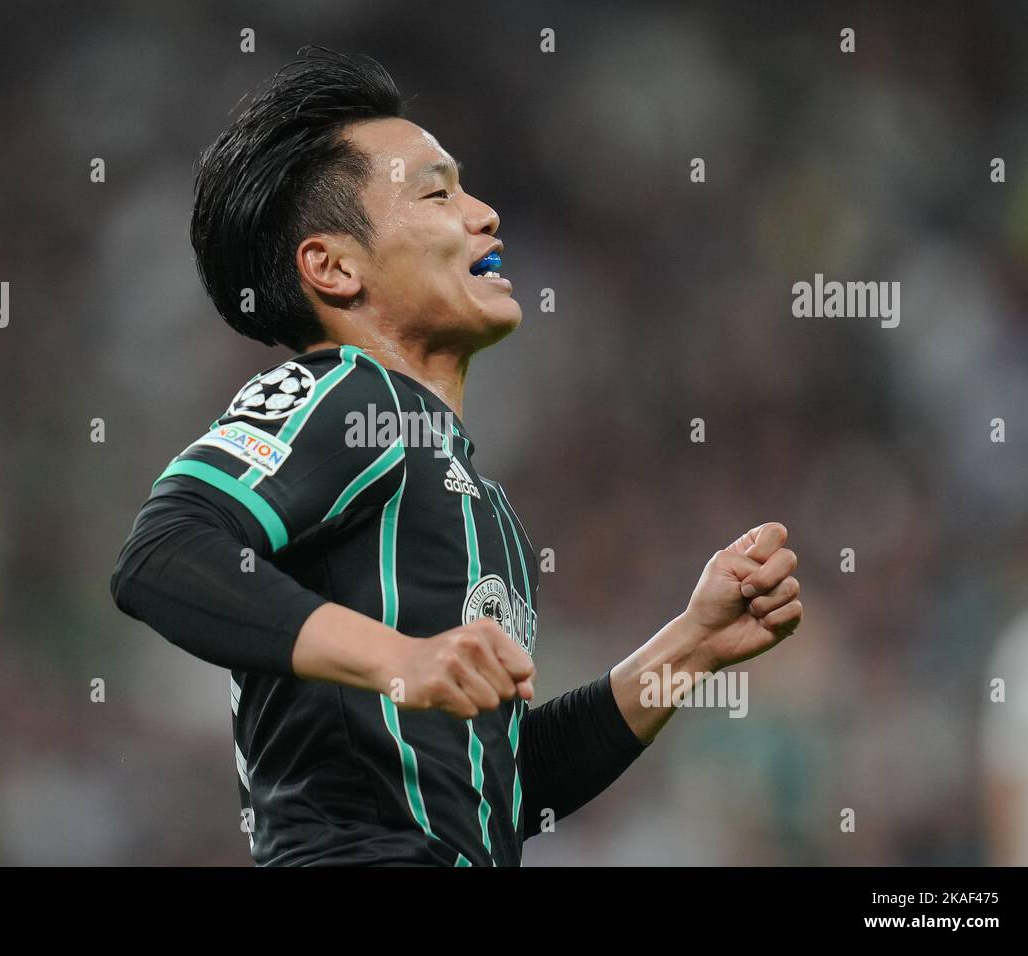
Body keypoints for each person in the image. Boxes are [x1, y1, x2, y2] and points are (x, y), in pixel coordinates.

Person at [111, 47, 803, 866]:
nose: (484, 214)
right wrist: (401, 658)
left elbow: (498, 787)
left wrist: (690, 646)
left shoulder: (483, 503)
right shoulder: (347, 395)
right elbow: (161, 554)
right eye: (437, 192)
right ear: (333, 267)